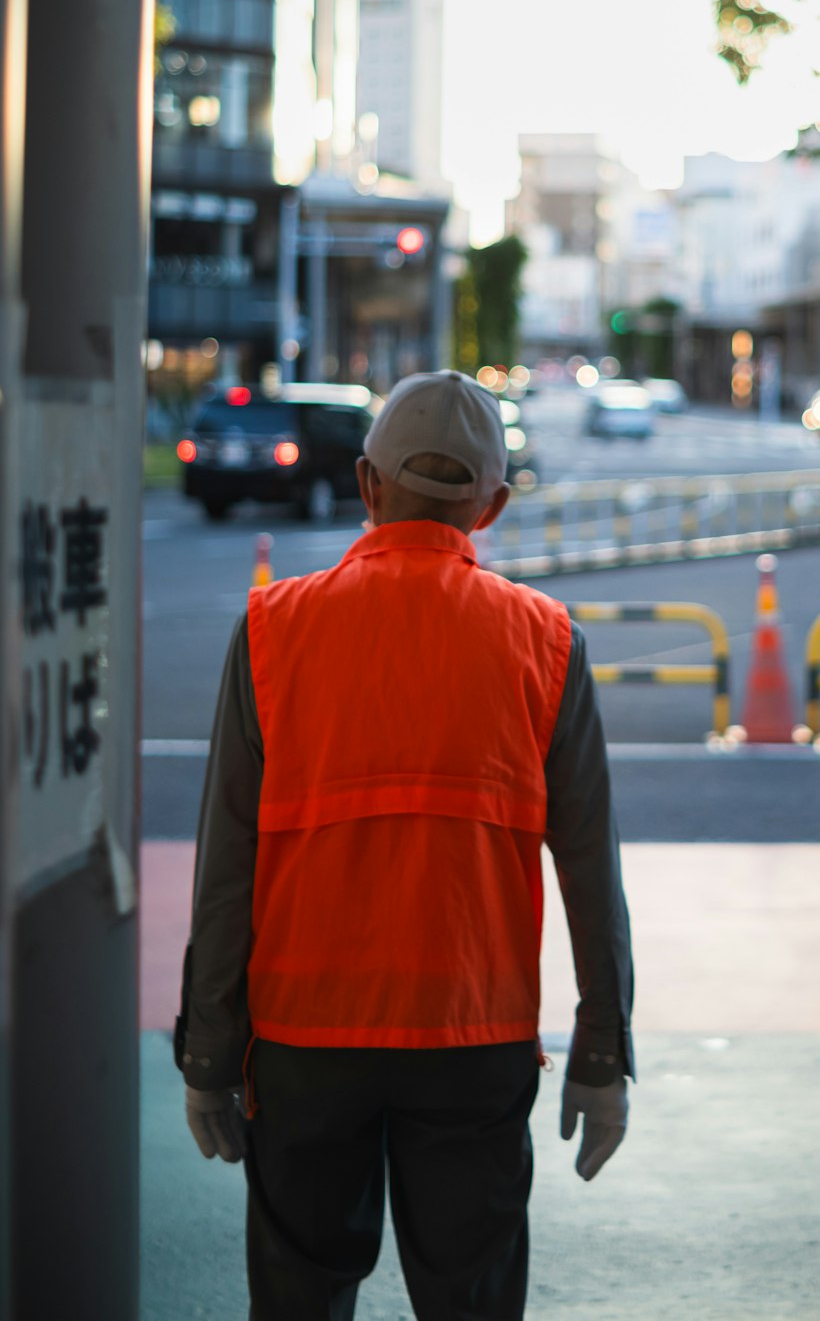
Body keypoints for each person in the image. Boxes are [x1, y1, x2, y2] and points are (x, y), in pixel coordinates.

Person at [175, 369, 634, 1320]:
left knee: (300, 1296)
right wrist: (602, 1049)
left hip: (303, 1037)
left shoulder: (271, 630)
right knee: (472, 1299)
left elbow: (226, 867)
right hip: (473, 1031)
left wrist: (211, 1053)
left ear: (366, 485)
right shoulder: (546, 640)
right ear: (491, 507)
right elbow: (591, 866)